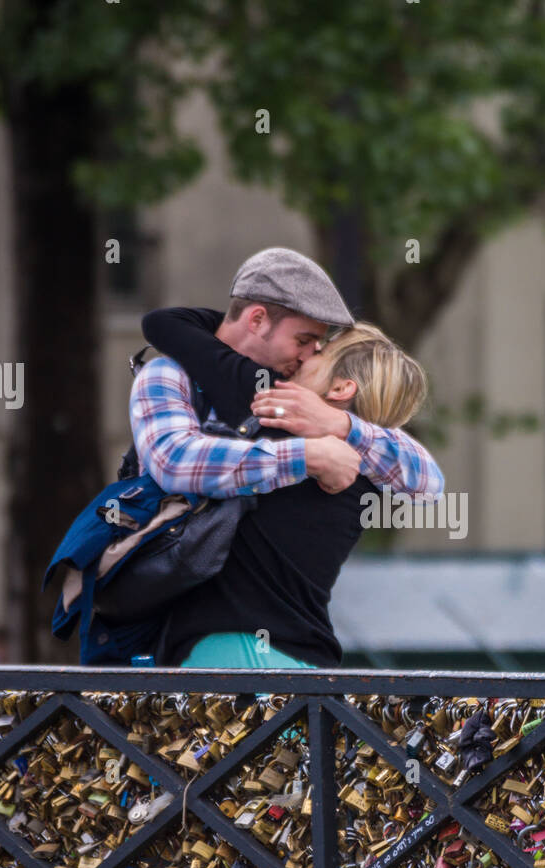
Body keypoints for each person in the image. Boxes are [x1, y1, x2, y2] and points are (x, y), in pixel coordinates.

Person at [131, 249, 442, 668]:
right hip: (306, 662)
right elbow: (175, 460)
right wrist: (312, 452)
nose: (308, 354)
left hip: (239, 655)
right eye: (305, 341)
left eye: (319, 349)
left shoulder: (308, 425)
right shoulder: (350, 455)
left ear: (342, 390)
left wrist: (338, 427)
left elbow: (430, 481)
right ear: (257, 319)